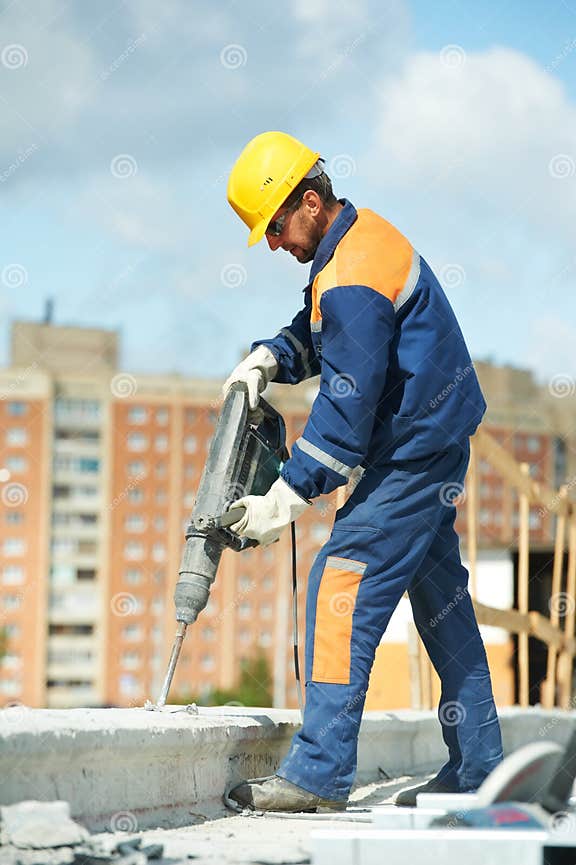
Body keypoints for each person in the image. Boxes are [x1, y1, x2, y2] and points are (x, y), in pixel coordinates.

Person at [222, 131, 503, 812]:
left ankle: (317, 773)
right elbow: (328, 333)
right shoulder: (351, 247)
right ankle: (480, 766)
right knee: (444, 604)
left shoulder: (350, 269)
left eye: (277, 225)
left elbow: (346, 410)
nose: (273, 242)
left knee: (339, 582)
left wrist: (282, 499)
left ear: (311, 203)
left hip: (411, 452)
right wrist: (271, 356)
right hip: (430, 444)